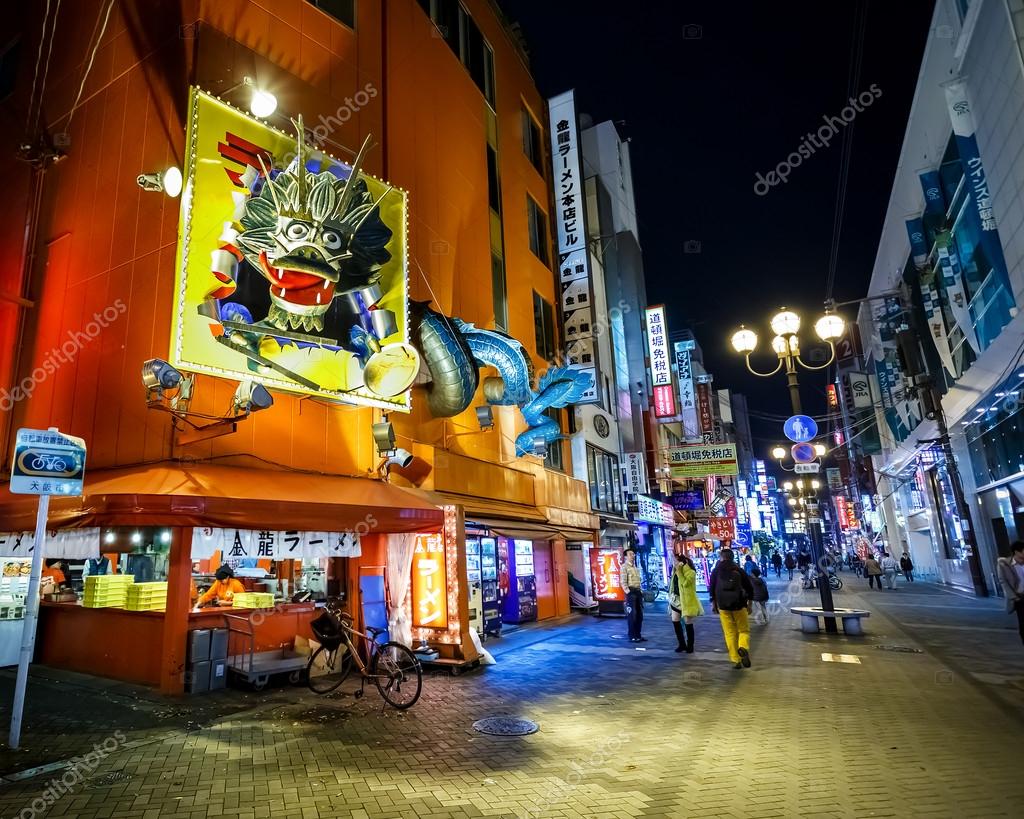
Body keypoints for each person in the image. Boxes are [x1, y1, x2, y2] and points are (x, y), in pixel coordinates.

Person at [709, 548, 754, 669]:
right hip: (739, 605)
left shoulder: (716, 571)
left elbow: (711, 588)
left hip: (723, 606)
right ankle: (743, 647)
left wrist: (714, 604)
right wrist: (750, 604)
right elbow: (749, 588)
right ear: (733, 557)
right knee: (743, 630)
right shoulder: (739, 570)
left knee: (729, 633)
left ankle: (736, 660)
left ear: (721, 558)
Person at [669, 555, 703, 653]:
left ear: (681, 562)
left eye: (675, 561)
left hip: (687, 601)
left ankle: (690, 645)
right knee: (675, 621)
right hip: (676, 600)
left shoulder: (691, 572)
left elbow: (685, 584)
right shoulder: (674, 572)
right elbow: (672, 585)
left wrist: (679, 571)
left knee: (688, 623)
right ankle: (681, 644)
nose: (674, 563)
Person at [996, 542, 1024, 645]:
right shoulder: (1005, 564)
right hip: (1020, 598)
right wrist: (1014, 597)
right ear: (1017, 552)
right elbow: (1003, 581)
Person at [621, 548, 645, 642]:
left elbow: (639, 581)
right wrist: (628, 592)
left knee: (640, 615)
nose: (633, 556)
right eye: (631, 554)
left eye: (634, 554)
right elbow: (623, 581)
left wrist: (641, 591)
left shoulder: (635, 567)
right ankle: (632, 636)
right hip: (631, 593)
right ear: (626, 556)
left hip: (638, 592)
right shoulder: (624, 567)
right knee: (632, 615)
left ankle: (638, 635)